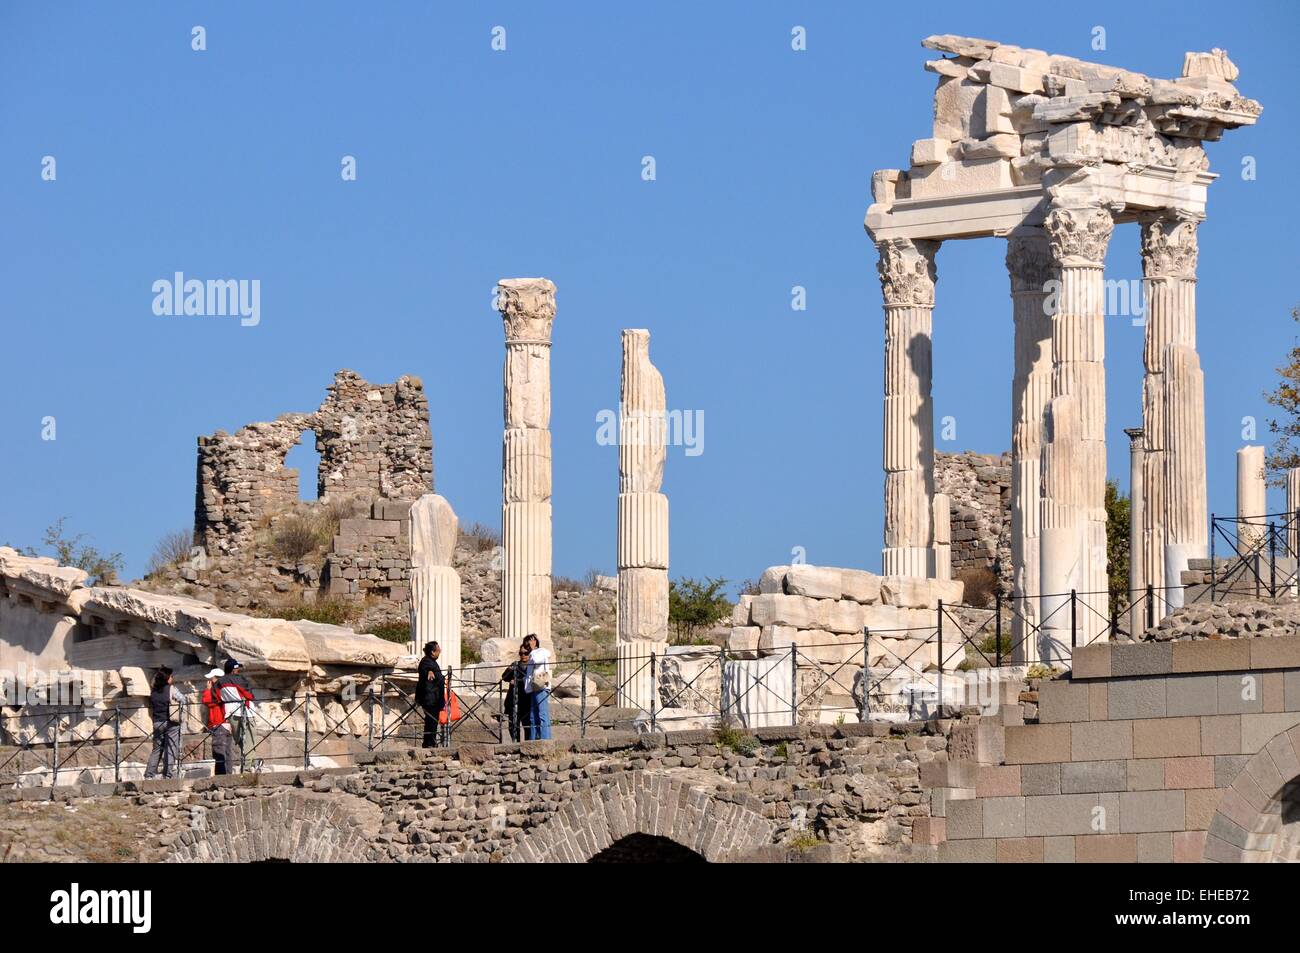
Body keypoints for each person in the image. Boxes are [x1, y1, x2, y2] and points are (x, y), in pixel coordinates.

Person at [144, 667, 183, 779]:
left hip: (157, 722)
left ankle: (149, 775)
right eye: (171, 676)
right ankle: (167, 775)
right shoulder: (171, 689)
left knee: (156, 749)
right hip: (171, 722)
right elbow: (183, 699)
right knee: (171, 747)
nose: (172, 678)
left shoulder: (153, 691)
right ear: (167, 678)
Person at [218, 658, 256, 769]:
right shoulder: (241, 680)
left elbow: (216, 697)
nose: (239, 670)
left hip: (230, 713)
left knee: (241, 741)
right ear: (233, 670)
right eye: (237, 669)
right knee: (250, 740)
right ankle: (247, 767)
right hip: (246, 712)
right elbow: (250, 696)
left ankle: (253, 763)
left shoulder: (220, 682)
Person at [201, 668, 234, 775]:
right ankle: (228, 775)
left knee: (218, 750)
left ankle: (221, 776)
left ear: (216, 679)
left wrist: (207, 690)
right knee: (227, 751)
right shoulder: (227, 688)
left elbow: (208, 702)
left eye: (212, 678)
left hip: (219, 723)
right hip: (227, 724)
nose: (210, 680)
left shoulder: (216, 690)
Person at [523, 634, 553, 741]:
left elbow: (537, 661)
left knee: (542, 714)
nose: (528, 646)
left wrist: (533, 649)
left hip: (541, 686)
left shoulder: (541, 652)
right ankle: (533, 739)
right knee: (533, 716)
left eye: (530, 642)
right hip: (534, 687)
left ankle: (546, 740)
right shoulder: (533, 654)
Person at [500, 644, 531, 742]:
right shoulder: (515, 664)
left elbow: (532, 680)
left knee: (528, 725)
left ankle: (527, 745)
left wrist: (518, 681)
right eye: (521, 653)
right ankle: (515, 744)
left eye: (526, 653)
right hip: (514, 699)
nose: (523, 655)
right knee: (513, 725)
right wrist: (511, 669)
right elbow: (504, 677)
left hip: (527, 699)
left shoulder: (532, 666)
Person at [416, 641, 444, 748]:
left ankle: (430, 742)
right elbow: (424, 669)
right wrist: (429, 670)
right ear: (433, 652)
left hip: (434, 697)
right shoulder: (426, 662)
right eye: (438, 649)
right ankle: (428, 743)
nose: (440, 651)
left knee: (433, 721)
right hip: (429, 697)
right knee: (431, 721)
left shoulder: (430, 661)